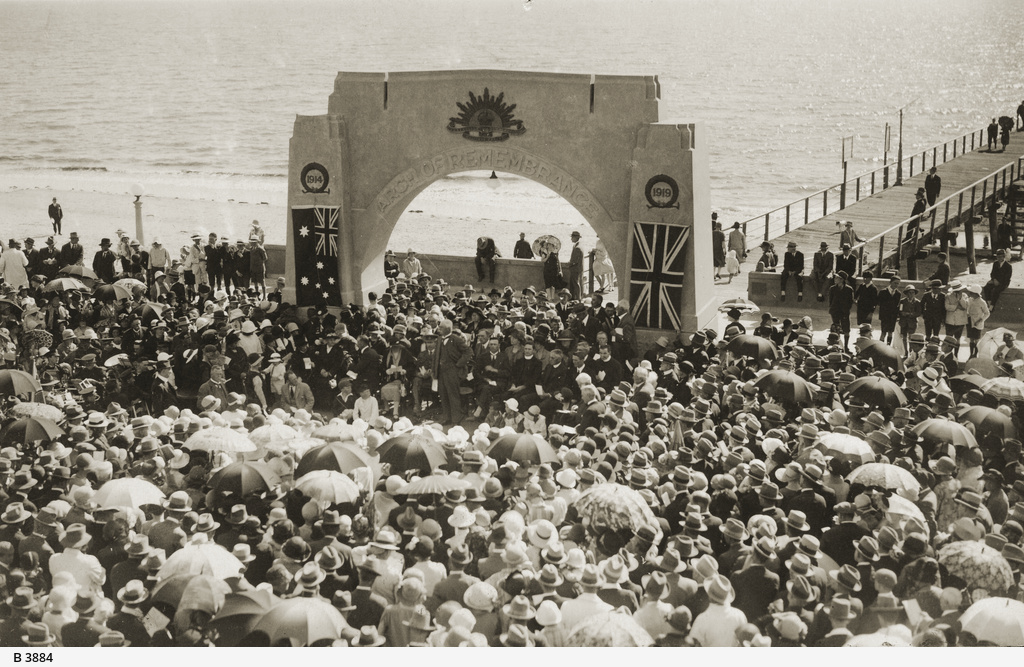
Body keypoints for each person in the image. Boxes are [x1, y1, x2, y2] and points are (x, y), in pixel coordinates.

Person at [432, 319, 472, 426]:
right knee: (443, 395)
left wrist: (459, 364)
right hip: (441, 372)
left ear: (447, 329)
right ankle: (447, 417)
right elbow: (436, 356)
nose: (439, 329)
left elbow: (468, 352)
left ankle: (456, 419)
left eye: (441, 328)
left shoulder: (456, 339)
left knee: (453, 396)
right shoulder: (439, 339)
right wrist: (434, 370)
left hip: (452, 372)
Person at [829, 271, 854, 351]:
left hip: (844, 313)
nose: (835, 279)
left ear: (842, 279)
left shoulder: (849, 289)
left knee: (846, 330)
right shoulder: (832, 288)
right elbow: (831, 301)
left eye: (837, 278)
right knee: (836, 329)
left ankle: (846, 346)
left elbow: (850, 302)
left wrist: (846, 310)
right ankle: (837, 347)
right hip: (835, 311)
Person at [965, 285, 990, 359]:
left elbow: (987, 313)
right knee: (971, 339)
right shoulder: (970, 300)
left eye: (971, 292)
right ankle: (971, 354)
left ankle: (975, 354)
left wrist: (980, 320)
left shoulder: (982, 302)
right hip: (970, 321)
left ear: (975, 293)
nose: (970, 294)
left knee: (976, 339)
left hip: (978, 323)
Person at [567, 232, 584, 299]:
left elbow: (574, 261)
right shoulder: (579, 246)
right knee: (575, 283)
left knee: (576, 284)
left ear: (576, 238)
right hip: (578, 268)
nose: (571, 238)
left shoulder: (577, 248)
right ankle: (576, 297)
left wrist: (569, 263)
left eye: (572, 237)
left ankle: (578, 298)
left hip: (575, 269)